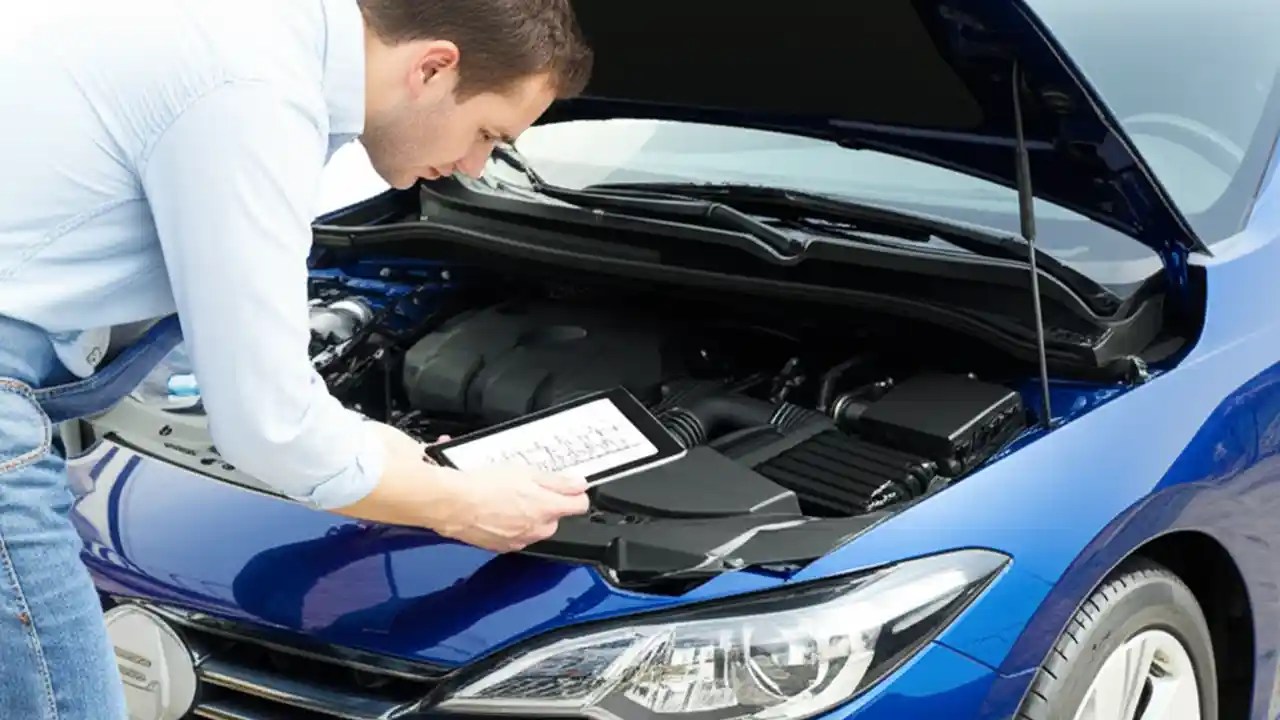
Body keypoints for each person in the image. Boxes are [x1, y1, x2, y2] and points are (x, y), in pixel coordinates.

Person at [0, 0, 595, 716]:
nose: (473, 166)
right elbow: (268, 426)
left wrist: (390, 452)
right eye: (488, 134)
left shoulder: (245, 33)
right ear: (433, 67)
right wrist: (460, 504)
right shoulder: (252, 98)